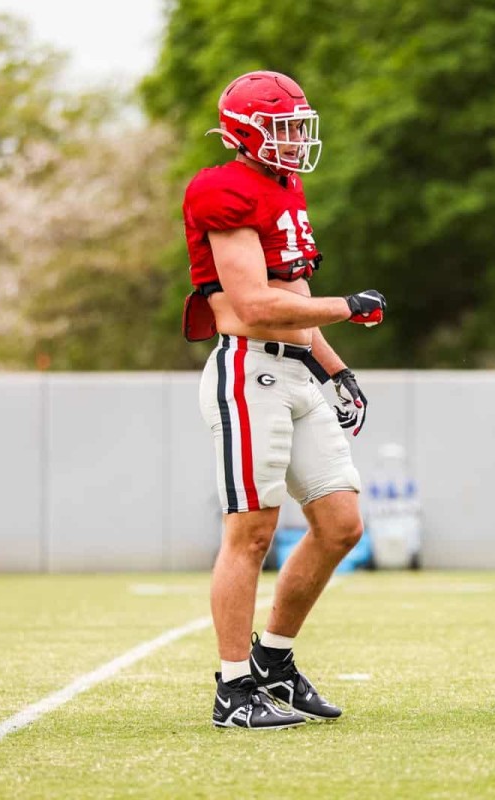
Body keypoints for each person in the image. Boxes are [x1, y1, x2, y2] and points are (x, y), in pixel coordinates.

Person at [183, 70, 388, 730]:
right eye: (283, 129)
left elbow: (294, 302)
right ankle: (233, 685)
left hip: (296, 371)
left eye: (299, 127)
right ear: (245, 133)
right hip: (248, 373)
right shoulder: (222, 190)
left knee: (341, 523)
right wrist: (350, 307)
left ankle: (273, 658)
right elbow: (252, 305)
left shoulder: (285, 187)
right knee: (250, 532)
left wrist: (335, 368)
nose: (296, 141)